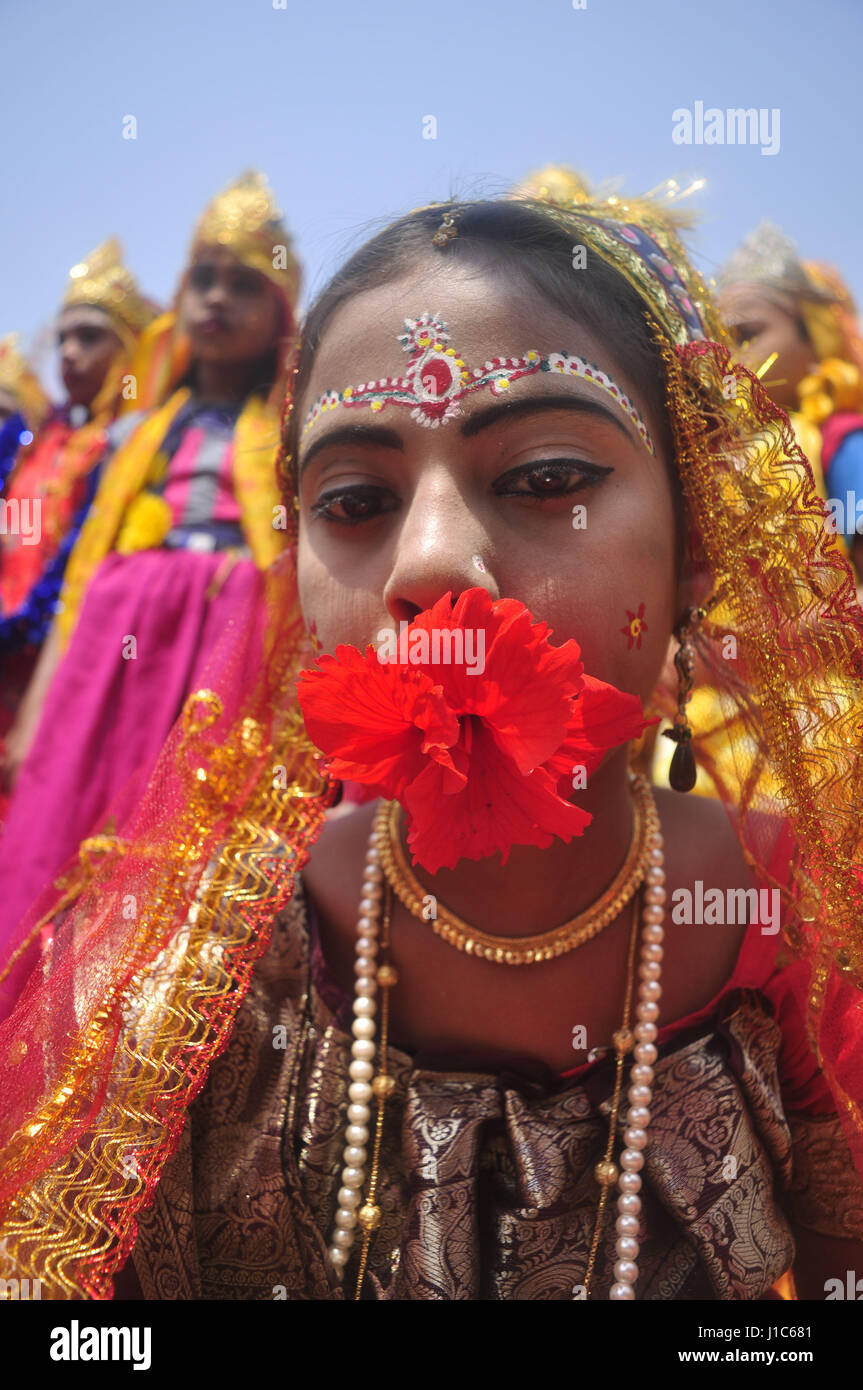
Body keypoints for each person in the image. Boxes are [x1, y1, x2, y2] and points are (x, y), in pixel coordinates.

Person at [2, 185, 862, 1303]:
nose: (431, 565)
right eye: (354, 500)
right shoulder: (178, 974)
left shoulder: (800, 924)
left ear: (694, 542)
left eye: (546, 480)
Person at [0, 171, 299, 995]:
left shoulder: (287, 430)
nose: (217, 299)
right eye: (203, 278)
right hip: (115, 641)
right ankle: (42, 1009)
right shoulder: (140, 431)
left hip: (231, 642)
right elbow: (83, 567)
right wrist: (34, 709)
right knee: (74, 820)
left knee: (191, 834)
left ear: (282, 311)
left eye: (245, 284)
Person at [0, 248, 155, 771]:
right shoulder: (41, 446)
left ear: (130, 348)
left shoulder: (139, 445)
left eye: (89, 336)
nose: (68, 352)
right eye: (64, 337)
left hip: (78, 664)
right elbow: (17, 538)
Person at [719, 222, 863, 576]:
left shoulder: (841, 442)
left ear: (814, 335)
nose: (730, 355)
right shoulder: (719, 454)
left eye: (748, 334)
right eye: (719, 340)